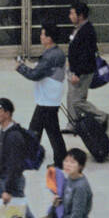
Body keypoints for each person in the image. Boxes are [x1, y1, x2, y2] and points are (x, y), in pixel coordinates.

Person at [16, 23, 67, 168]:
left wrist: (20, 67)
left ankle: (30, 158)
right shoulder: (57, 53)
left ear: (49, 38)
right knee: (49, 130)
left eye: (43, 34)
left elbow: (35, 75)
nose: (41, 36)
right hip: (51, 98)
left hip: (47, 100)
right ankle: (57, 159)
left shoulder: (50, 56)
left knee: (37, 130)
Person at [64, 1, 106, 132]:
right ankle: (73, 123)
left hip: (82, 72)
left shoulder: (87, 31)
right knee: (71, 97)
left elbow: (86, 55)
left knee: (78, 100)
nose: (70, 16)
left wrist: (77, 72)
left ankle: (101, 116)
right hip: (75, 68)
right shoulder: (79, 28)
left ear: (80, 15)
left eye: (72, 13)